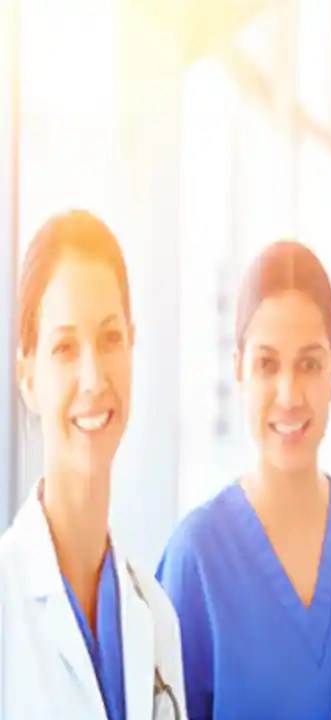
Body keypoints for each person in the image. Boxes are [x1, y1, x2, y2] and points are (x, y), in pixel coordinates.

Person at [156, 240, 331, 718]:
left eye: (310, 364)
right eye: (266, 364)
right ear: (237, 368)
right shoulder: (197, 559)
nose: (289, 394)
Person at [0, 210, 186, 719]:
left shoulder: (156, 617)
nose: (93, 377)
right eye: (64, 348)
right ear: (28, 377)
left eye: (110, 340)